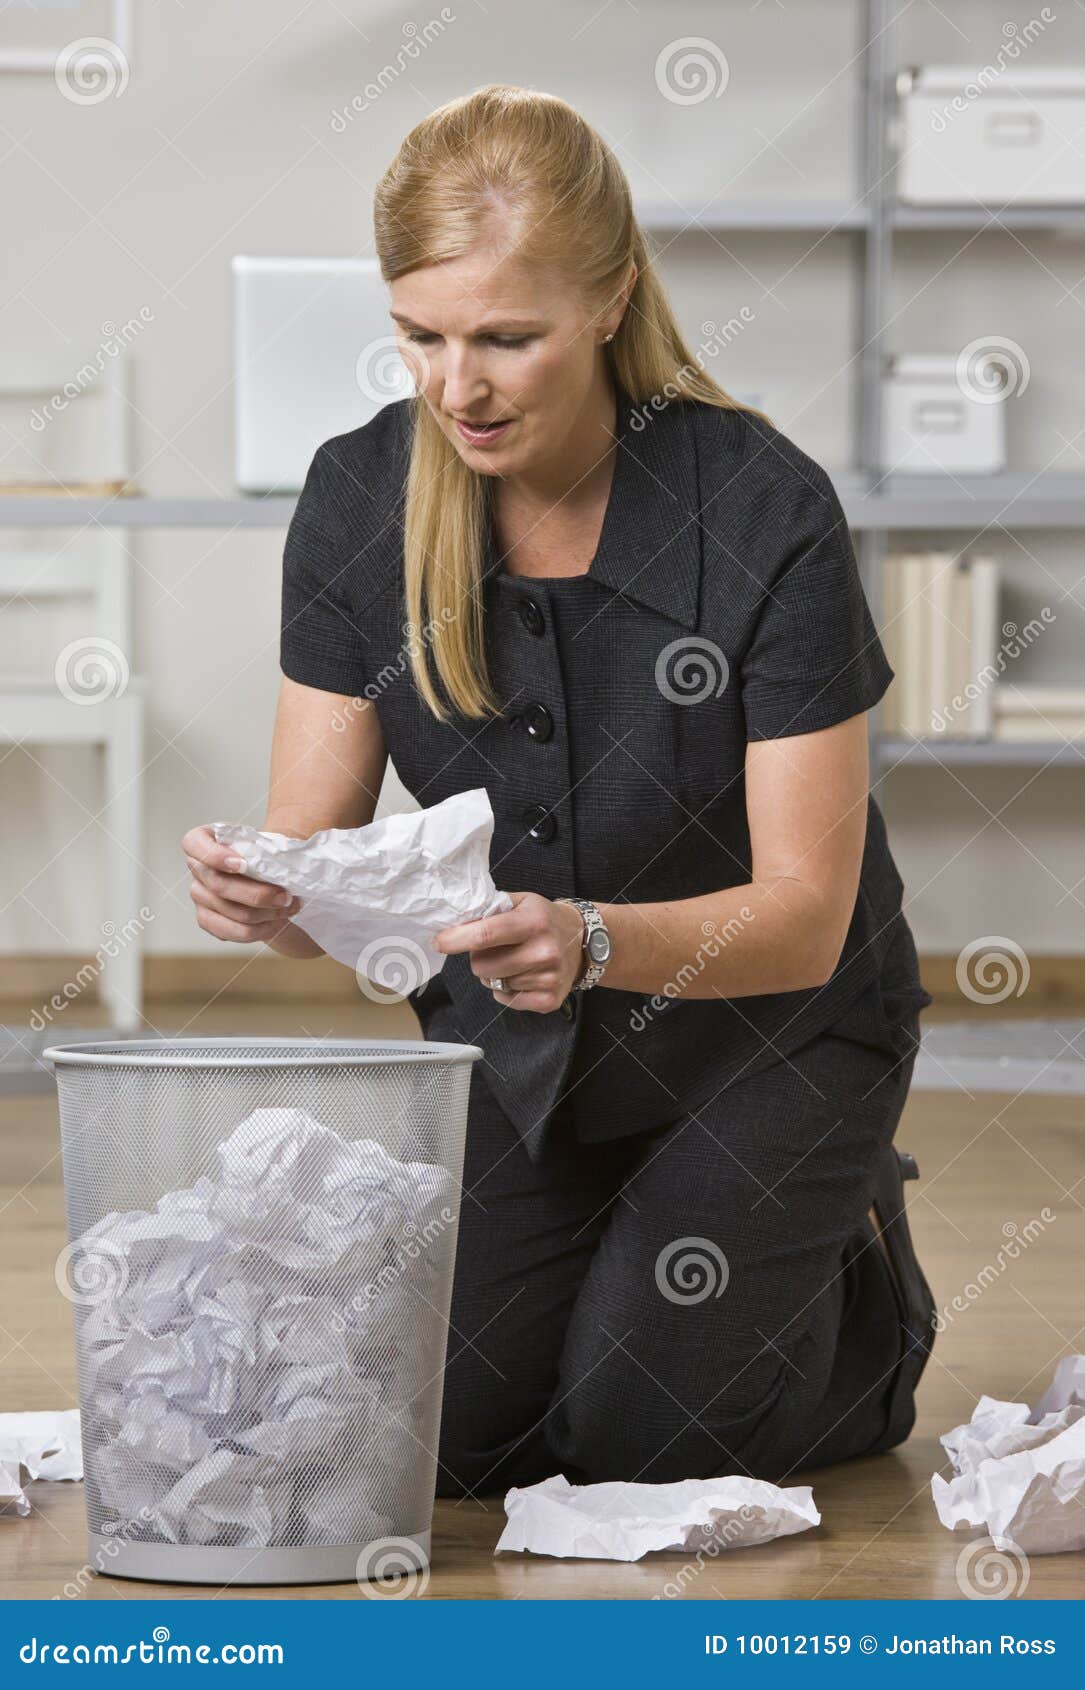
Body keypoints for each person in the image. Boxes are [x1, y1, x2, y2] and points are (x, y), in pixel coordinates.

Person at [183, 84, 936, 1497]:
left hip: (770, 1034)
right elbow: (319, 873)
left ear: (607, 303)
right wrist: (266, 893)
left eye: (504, 339)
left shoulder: (763, 507)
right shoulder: (357, 500)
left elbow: (804, 915)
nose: (454, 386)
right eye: (420, 335)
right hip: (524, 1050)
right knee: (443, 1440)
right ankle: (631, 1276)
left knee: (643, 1439)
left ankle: (854, 1285)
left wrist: (593, 938)